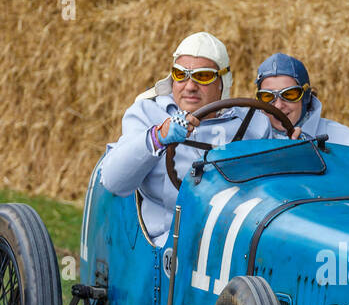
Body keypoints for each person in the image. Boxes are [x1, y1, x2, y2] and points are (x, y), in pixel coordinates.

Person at [97, 31, 267, 245]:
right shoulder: (146, 113)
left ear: (222, 82)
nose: (190, 86)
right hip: (168, 243)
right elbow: (113, 181)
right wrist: (158, 136)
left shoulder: (253, 123)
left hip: (236, 239)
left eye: (203, 76)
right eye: (180, 74)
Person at [252, 53, 349, 149]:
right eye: (267, 96)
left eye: (289, 94)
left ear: (306, 96)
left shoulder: (348, 142)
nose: (278, 106)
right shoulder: (246, 138)